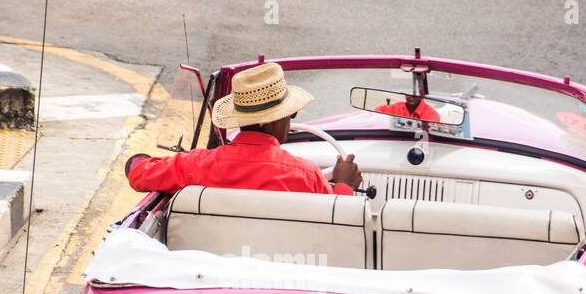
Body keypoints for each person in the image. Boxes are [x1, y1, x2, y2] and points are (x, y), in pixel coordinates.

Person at [126, 62, 362, 195]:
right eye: (290, 114)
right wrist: (345, 186)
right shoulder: (305, 176)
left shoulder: (195, 166)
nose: (291, 121)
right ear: (272, 120)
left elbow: (138, 173)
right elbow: (339, 223)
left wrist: (139, 159)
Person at [375, 93, 440, 121]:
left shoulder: (432, 114)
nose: (410, 97)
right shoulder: (397, 106)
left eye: (414, 94)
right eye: (408, 94)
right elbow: (378, 111)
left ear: (421, 94)